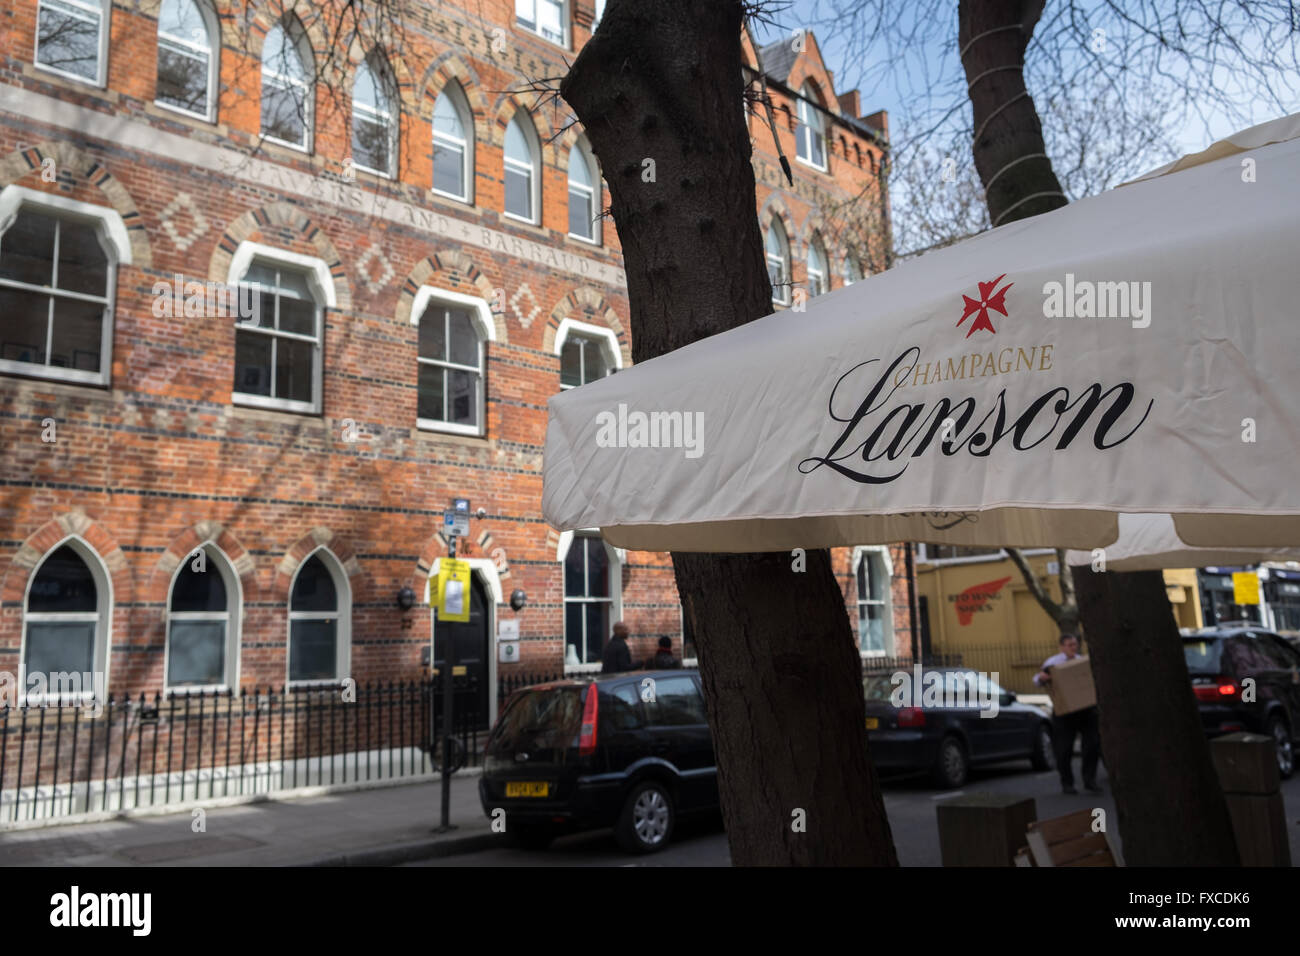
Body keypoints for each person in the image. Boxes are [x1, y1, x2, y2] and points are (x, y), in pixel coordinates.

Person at [1034, 632, 1102, 795]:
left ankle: (1089, 779)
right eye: (1070, 645)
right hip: (1064, 713)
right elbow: (1037, 679)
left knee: (1092, 746)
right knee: (1064, 749)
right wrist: (1043, 677)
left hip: (1085, 710)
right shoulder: (1053, 664)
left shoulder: (1081, 661)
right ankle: (1067, 783)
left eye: (1075, 644)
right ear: (1062, 646)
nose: (1074, 647)